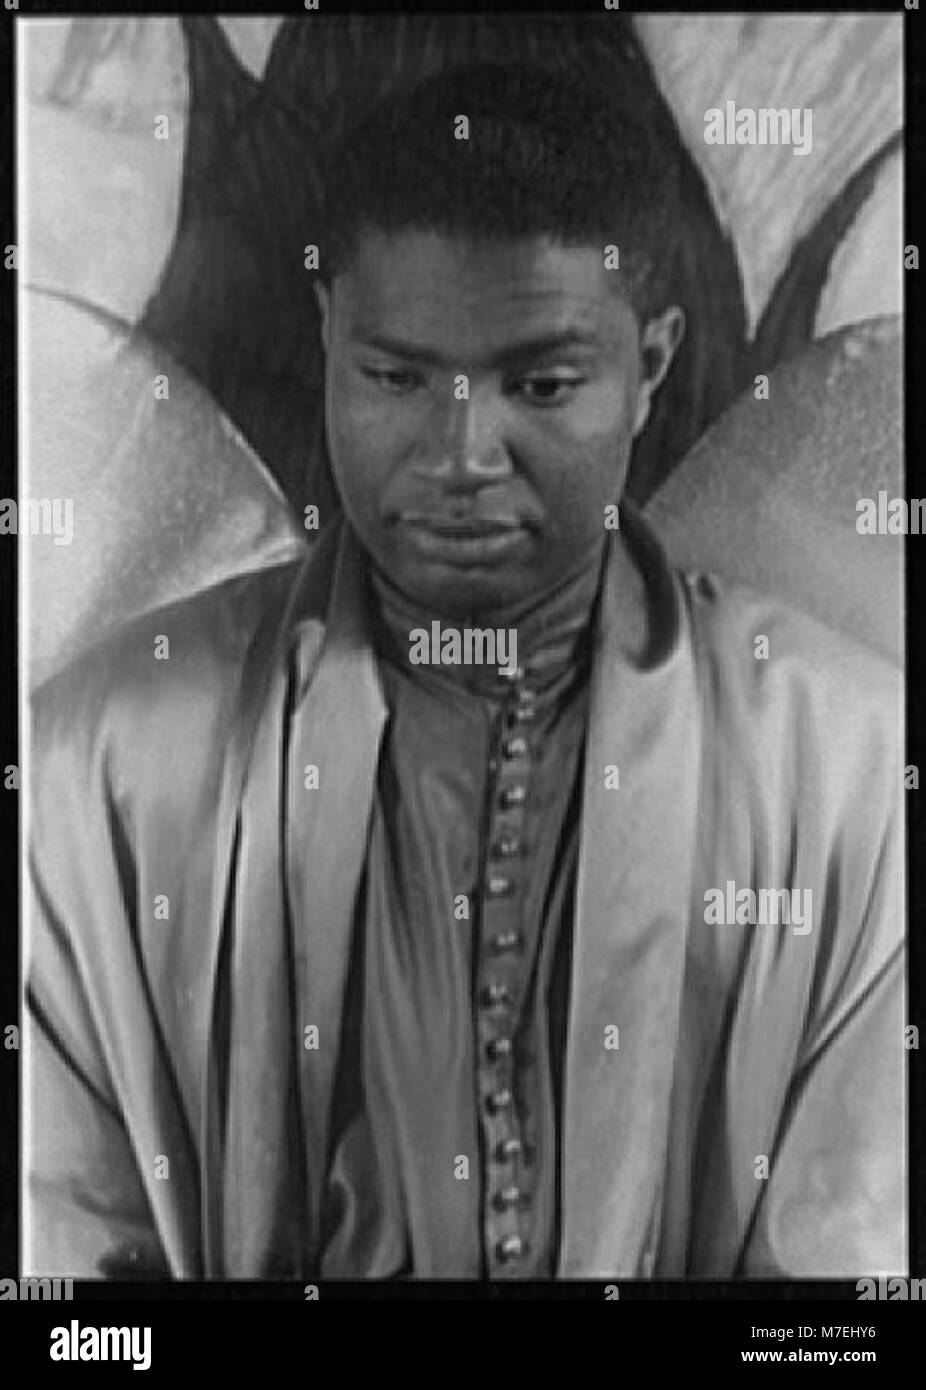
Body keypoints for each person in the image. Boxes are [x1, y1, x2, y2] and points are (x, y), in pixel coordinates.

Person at [26, 63, 904, 1280]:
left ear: (649, 364)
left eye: (539, 383)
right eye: (395, 378)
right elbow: (66, 1267)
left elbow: (843, 1302)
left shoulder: (848, 769)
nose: (460, 455)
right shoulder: (100, 763)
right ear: (328, 332)